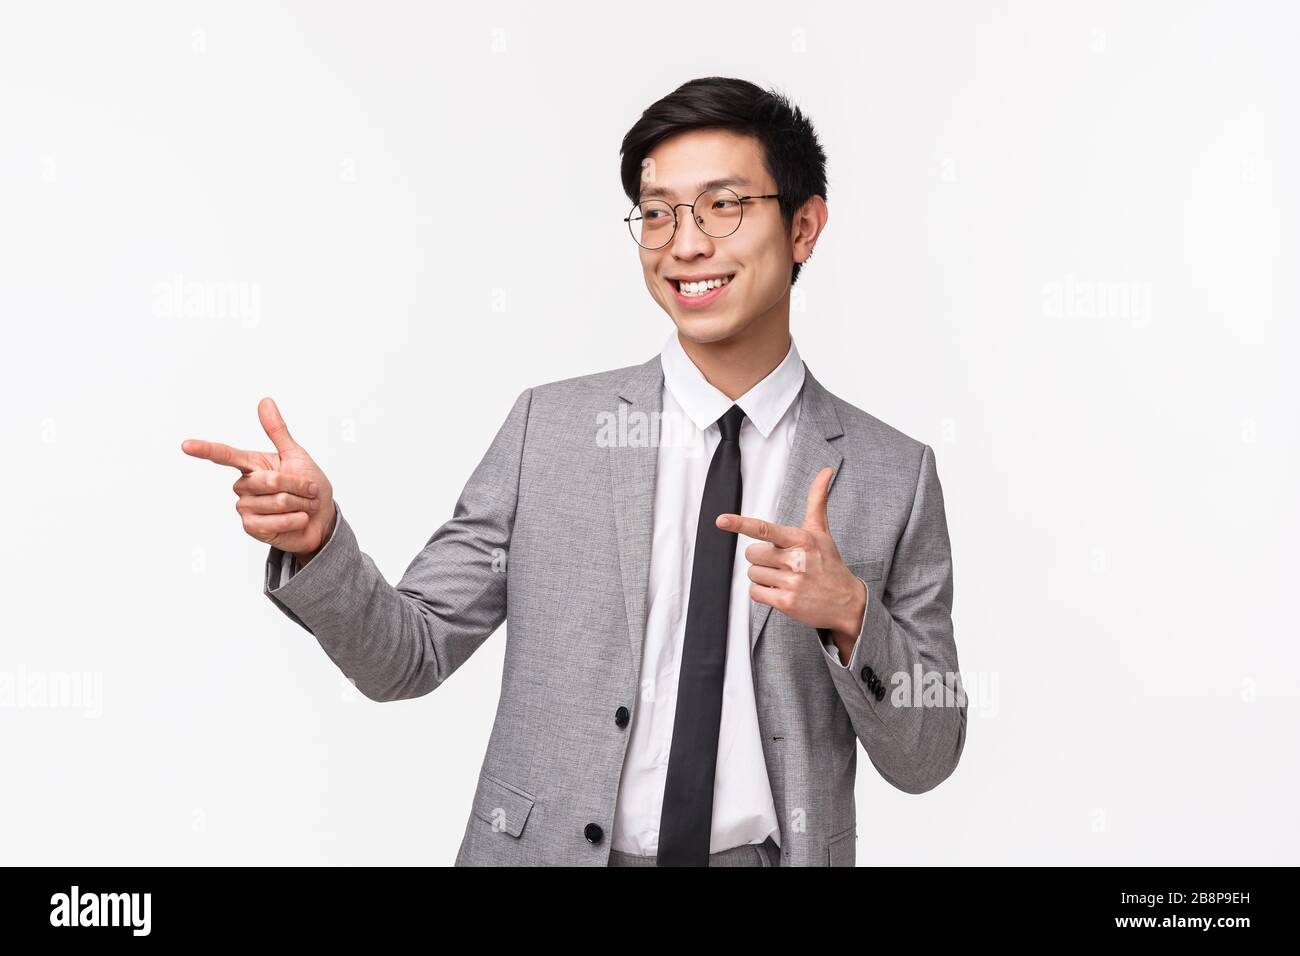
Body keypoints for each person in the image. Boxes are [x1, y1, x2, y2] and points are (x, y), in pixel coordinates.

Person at [181, 76, 967, 867]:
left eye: (723, 206)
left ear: (804, 227)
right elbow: (407, 656)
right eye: (657, 214)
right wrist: (321, 545)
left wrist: (851, 614)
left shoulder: (893, 477)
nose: (684, 245)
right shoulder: (549, 432)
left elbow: (928, 755)